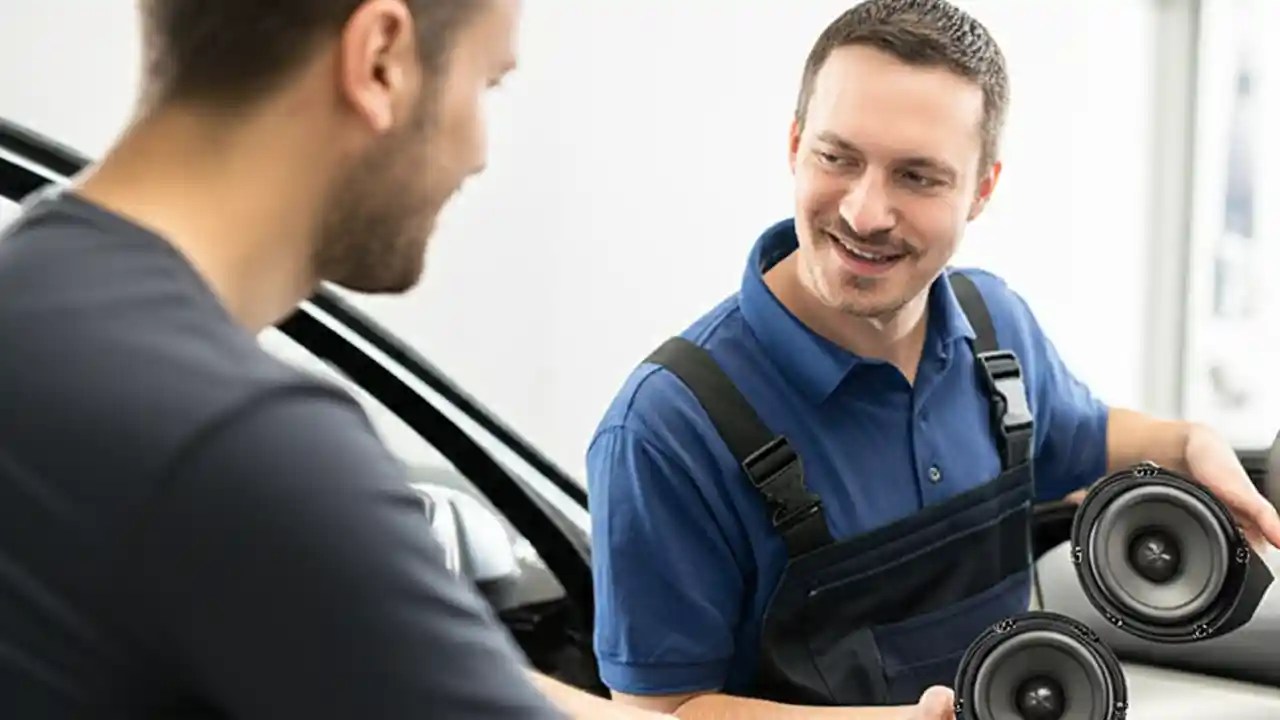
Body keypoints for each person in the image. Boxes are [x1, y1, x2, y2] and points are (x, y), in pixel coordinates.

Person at [585, 1, 1280, 719]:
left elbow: (1094, 438)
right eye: (837, 157)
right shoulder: (667, 428)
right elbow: (657, 711)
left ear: (982, 189)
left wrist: (1191, 442)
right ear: (795, 145)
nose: (865, 213)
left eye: (918, 177)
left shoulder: (994, 327)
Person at [0, 1, 670, 718]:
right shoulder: (235, 440)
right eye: (486, 85)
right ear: (381, 59)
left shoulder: (36, 312)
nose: (479, 151)